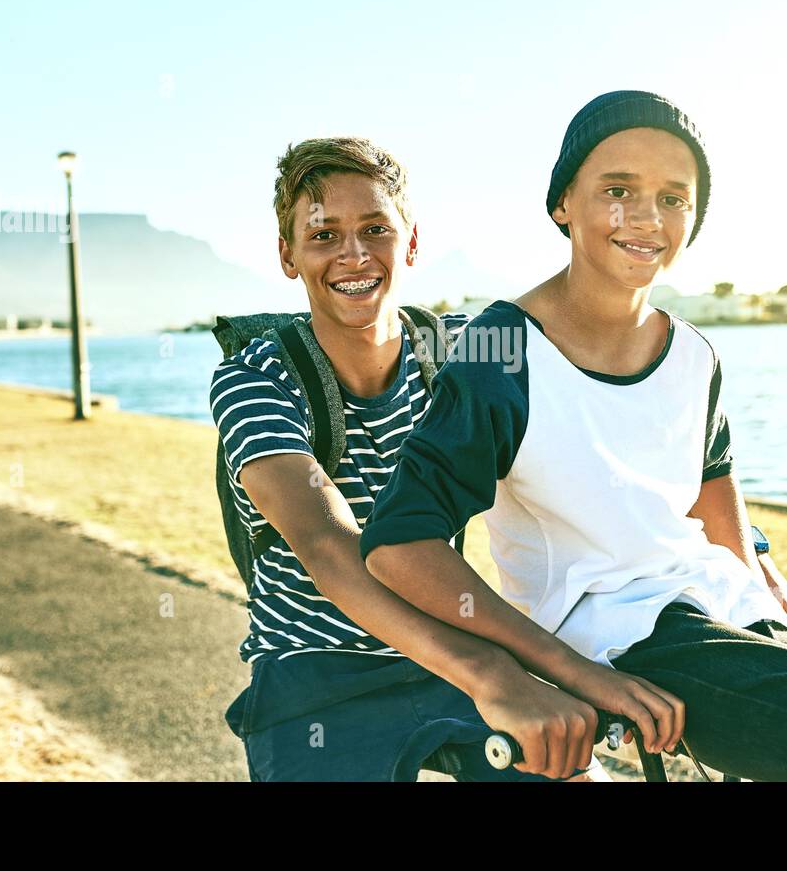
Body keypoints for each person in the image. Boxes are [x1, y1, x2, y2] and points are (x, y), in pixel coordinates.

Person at [360, 90, 787, 781]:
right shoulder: (501, 350)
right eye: (618, 190)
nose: (647, 217)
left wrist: (759, 578)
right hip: (615, 631)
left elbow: (712, 479)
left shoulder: (692, 354)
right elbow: (399, 545)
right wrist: (565, 669)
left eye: (675, 198)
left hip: (714, 606)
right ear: (563, 204)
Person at [211, 135, 610, 781]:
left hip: (445, 642)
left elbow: (593, 453)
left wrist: (741, 550)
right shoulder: (256, 378)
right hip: (314, 669)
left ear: (412, 242)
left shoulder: (462, 358)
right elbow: (327, 544)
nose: (354, 254)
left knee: (575, 771)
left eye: (376, 229)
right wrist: (492, 672)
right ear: (288, 255)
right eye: (323, 236)